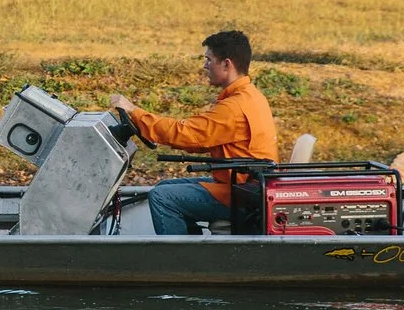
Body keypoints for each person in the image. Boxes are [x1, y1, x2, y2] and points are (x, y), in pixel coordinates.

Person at [110, 30, 279, 235]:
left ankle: (184, 263)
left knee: (162, 197)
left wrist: (134, 112)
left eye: (208, 60)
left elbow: (186, 134)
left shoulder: (235, 107)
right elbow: (200, 137)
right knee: (165, 185)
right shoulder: (250, 97)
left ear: (226, 64)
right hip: (245, 186)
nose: (204, 66)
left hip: (243, 195)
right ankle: (198, 249)